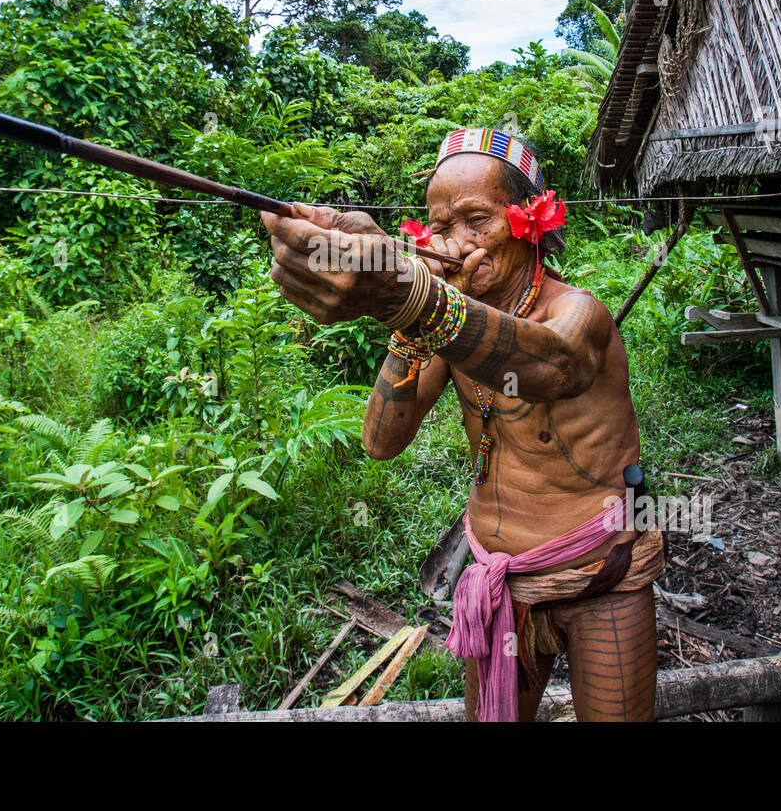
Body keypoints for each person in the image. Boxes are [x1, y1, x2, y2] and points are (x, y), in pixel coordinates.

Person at [260, 127, 664, 721]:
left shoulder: (579, 313)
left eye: (477, 219)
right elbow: (380, 441)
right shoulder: (444, 331)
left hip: (600, 578)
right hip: (499, 584)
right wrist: (406, 319)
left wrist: (413, 299)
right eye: (441, 224)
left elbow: (553, 364)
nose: (456, 241)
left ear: (530, 221)